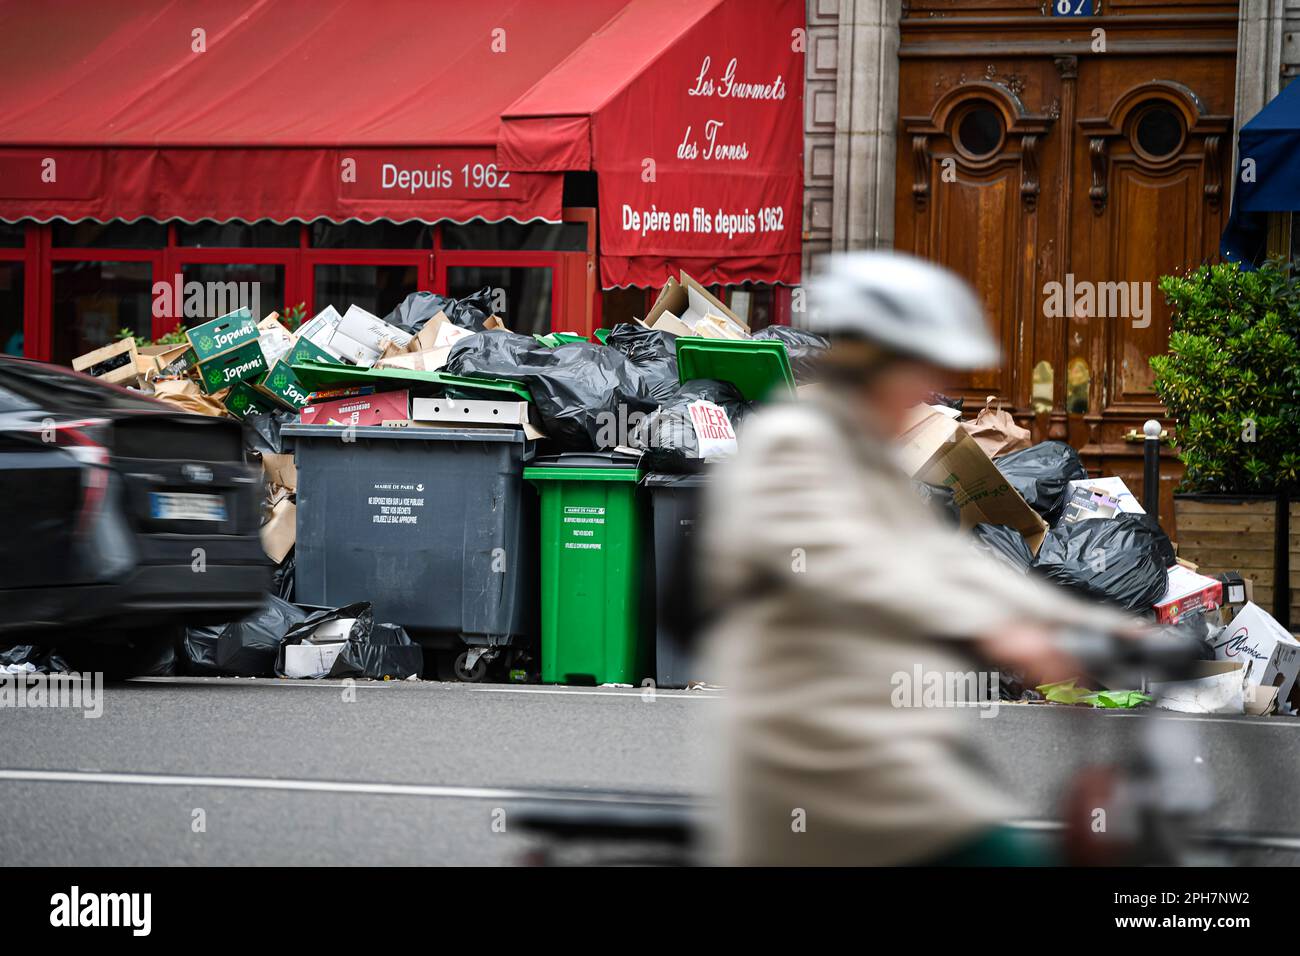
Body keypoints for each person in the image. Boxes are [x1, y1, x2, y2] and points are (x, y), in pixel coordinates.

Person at [700, 251, 1134, 866]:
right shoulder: (791, 446)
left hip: (891, 749)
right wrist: (996, 632)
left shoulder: (870, 455)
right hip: (818, 765)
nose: (926, 387)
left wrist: (1090, 625)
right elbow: (862, 572)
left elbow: (942, 562)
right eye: (917, 367)